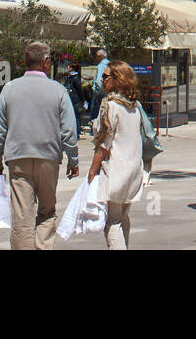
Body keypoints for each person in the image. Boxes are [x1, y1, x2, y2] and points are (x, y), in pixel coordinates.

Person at [0, 41, 80, 250]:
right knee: (47, 211)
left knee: (22, 215)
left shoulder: (9, 89)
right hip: (48, 158)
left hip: (18, 158)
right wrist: (73, 160)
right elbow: (68, 131)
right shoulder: (58, 91)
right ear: (45, 62)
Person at [89, 61, 145, 250]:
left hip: (116, 170)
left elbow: (104, 143)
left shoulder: (111, 106)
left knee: (112, 222)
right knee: (123, 217)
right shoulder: (134, 106)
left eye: (105, 77)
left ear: (117, 79)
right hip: (134, 170)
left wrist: (92, 170)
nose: (102, 80)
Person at [63, 63, 88, 137]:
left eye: (70, 66)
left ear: (73, 68)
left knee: (75, 116)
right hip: (70, 99)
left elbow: (79, 90)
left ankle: (77, 132)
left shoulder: (75, 78)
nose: (68, 67)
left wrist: (82, 100)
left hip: (75, 100)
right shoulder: (69, 77)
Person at [89, 49, 110, 125]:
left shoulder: (101, 66)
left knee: (96, 112)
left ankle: (94, 129)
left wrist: (99, 90)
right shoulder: (109, 64)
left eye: (97, 56)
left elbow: (98, 81)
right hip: (107, 91)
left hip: (99, 93)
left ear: (100, 56)